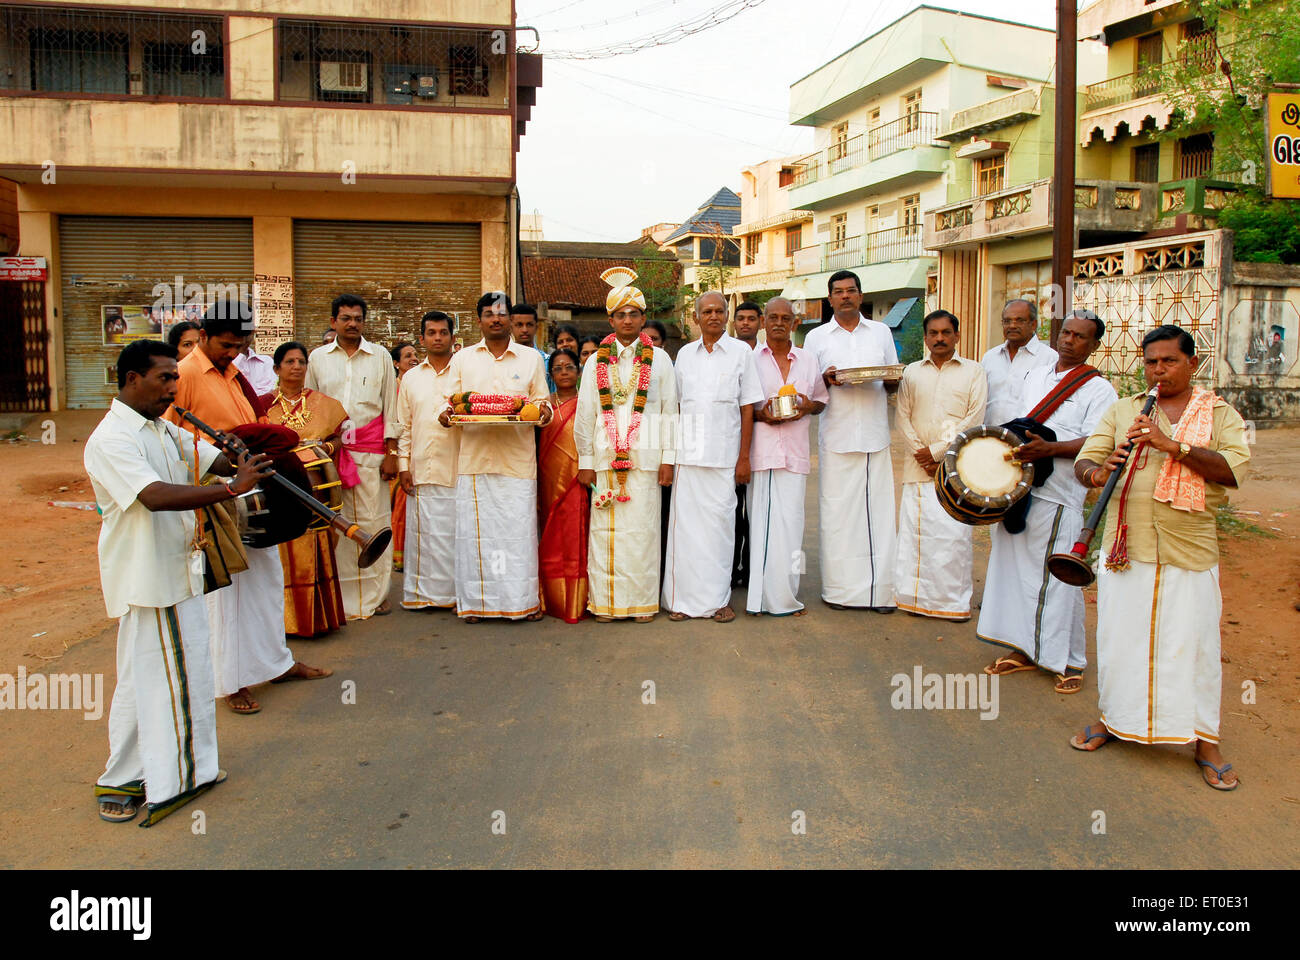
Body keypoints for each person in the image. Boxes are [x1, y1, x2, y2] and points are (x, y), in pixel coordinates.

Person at [86, 340, 273, 825]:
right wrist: (231, 489)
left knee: (151, 678)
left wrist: (241, 458)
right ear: (132, 379)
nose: (174, 387)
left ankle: (125, 776)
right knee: (169, 681)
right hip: (150, 577)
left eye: (175, 377)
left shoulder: (164, 428)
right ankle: (174, 779)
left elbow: (213, 462)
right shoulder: (111, 438)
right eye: (165, 378)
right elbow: (153, 496)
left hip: (179, 570)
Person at [1070, 325, 1249, 791]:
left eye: (1169, 361)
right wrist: (1096, 474)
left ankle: (1205, 740)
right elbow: (1086, 460)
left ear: (1192, 363)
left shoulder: (1219, 413)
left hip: (1189, 548)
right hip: (1126, 546)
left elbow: (1232, 471)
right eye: (1151, 362)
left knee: (1194, 646)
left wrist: (1173, 446)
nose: (1159, 371)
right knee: (1119, 639)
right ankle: (1115, 720)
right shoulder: (1124, 409)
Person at [165, 299, 331, 715]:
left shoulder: (233, 373)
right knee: (230, 594)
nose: (232, 352)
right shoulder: (185, 374)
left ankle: (275, 662)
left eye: (239, 345)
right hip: (216, 493)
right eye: (225, 345)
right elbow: (167, 436)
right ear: (203, 336)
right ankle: (231, 681)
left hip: (253, 491)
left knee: (266, 581)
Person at [979, 310, 1117, 691]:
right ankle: (1025, 648)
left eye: (1080, 336)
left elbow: (1099, 442)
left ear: (1094, 345)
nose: (1069, 340)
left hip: (1061, 491)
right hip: (1023, 485)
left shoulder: (1099, 390)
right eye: (1066, 333)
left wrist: (1051, 449)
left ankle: (1070, 660)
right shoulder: (1037, 375)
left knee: (1058, 577)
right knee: (1017, 571)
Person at [438, 292, 552, 622]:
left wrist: (543, 414)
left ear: (510, 319)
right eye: (489, 314)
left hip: (517, 462)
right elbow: (449, 401)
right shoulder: (463, 359)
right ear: (480, 320)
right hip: (474, 461)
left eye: (501, 313)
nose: (496, 319)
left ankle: (522, 603)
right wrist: (445, 415)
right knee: (476, 537)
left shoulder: (530, 358)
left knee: (517, 536)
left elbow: (542, 402)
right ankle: (476, 604)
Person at [575, 268, 678, 623]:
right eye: (621, 314)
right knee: (604, 536)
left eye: (634, 314)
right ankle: (605, 604)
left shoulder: (660, 360)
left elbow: (670, 412)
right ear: (611, 320)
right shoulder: (595, 362)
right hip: (605, 459)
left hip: (646, 460)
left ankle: (642, 604)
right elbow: (586, 413)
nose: (628, 320)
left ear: (643, 318)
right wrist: (585, 461)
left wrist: (668, 459)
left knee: (643, 535)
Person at [802, 270, 900, 612]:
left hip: (875, 435)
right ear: (830, 299)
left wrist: (888, 378)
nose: (845, 296)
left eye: (851, 290)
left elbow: (892, 377)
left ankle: (881, 593)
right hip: (836, 436)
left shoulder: (881, 332)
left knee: (879, 516)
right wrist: (826, 379)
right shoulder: (816, 337)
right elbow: (809, 389)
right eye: (839, 292)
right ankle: (839, 592)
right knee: (837, 516)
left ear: (860, 295)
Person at [663, 290, 762, 622]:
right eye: (707, 312)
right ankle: (681, 602)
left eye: (719, 311)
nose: (714, 316)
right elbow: (675, 408)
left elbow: (747, 408)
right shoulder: (684, 355)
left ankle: (719, 601)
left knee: (720, 532)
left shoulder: (741, 353)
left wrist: (744, 458)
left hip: (724, 458)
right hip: (688, 459)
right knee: (685, 534)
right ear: (696, 318)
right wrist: (669, 457)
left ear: (727, 316)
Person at [305, 294, 400, 619]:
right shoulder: (318, 358)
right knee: (337, 523)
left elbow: (391, 406)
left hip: (371, 452)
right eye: (345, 318)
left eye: (358, 318)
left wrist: (392, 452)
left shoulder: (380, 356)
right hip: (329, 453)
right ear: (334, 321)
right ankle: (341, 597)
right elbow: (310, 404)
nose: (352, 324)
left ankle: (377, 594)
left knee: (374, 522)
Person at [893, 310, 987, 620]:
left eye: (946, 332)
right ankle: (913, 599)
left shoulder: (974, 372)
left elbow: (974, 418)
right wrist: (921, 454)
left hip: (956, 468)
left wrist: (937, 453)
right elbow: (902, 416)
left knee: (952, 539)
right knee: (916, 537)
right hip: (917, 467)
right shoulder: (911, 372)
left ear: (957, 335)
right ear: (925, 338)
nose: (940, 338)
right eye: (933, 333)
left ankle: (951, 604)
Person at [262, 341, 350, 639]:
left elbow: (337, 439)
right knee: (281, 552)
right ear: (277, 368)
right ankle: (282, 623)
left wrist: (324, 448)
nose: (297, 367)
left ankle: (318, 620)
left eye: (301, 362)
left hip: (315, 489)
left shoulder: (323, 403)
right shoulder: (262, 405)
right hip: (278, 489)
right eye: (289, 362)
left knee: (315, 544)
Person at [746, 297, 827, 616]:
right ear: (763, 321)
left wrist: (807, 406)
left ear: (794, 323)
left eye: (785, 318)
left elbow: (820, 401)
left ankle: (788, 596)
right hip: (763, 454)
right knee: (762, 528)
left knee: (793, 527)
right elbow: (742, 408)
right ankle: (760, 599)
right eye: (773, 317)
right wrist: (761, 415)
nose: (779, 323)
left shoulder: (808, 359)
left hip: (795, 454)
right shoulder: (750, 359)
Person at [397, 311, 460, 612]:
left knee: (456, 534)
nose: (437, 338)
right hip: (421, 467)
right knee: (425, 535)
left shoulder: (463, 374)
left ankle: (459, 595)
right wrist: (403, 466)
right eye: (431, 333)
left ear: (452, 337)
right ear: (422, 339)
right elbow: (404, 425)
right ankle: (422, 595)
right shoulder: (411, 378)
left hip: (458, 467)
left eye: (443, 332)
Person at [539, 348, 590, 622]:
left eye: (569, 367)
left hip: (577, 480)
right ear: (551, 375)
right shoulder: (543, 407)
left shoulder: (587, 403)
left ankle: (577, 601)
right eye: (557, 368)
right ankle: (551, 598)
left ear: (579, 372)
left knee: (575, 535)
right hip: (548, 479)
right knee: (551, 535)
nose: (564, 373)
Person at [982, 298, 1058, 426]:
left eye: (1020, 320)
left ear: (1033, 324)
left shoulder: (1050, 358)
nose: (1012, 326)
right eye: (1007, 321)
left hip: (1027, 434)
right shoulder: (990, 357)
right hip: (990, 433)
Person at [729, 300, 762, 589]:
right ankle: (729, 570)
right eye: (741, 318)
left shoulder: (766, 355)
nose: (746, 323)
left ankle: (751, 570)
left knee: (753, 513)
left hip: (759, 447)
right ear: (734, 322)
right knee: (731, 512)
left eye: (752, 318)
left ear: (759, 322)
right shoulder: (728, 353)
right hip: (728, 447)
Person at [388, 341, 419, 571]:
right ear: (396, 363)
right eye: (408, 356)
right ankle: (399, 555)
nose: (414, 359)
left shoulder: (419, 383)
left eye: (415, 354)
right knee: (399, 506)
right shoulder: (393, 389)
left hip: (418, 450)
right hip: (398, 451)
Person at [511, 303, 553, 392]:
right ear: (511, 328)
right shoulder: (504, 360)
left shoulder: (548, 362)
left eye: (529, 324)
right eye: (519, 325)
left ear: (536, 327)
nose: (524, 330)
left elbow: (555, 396)